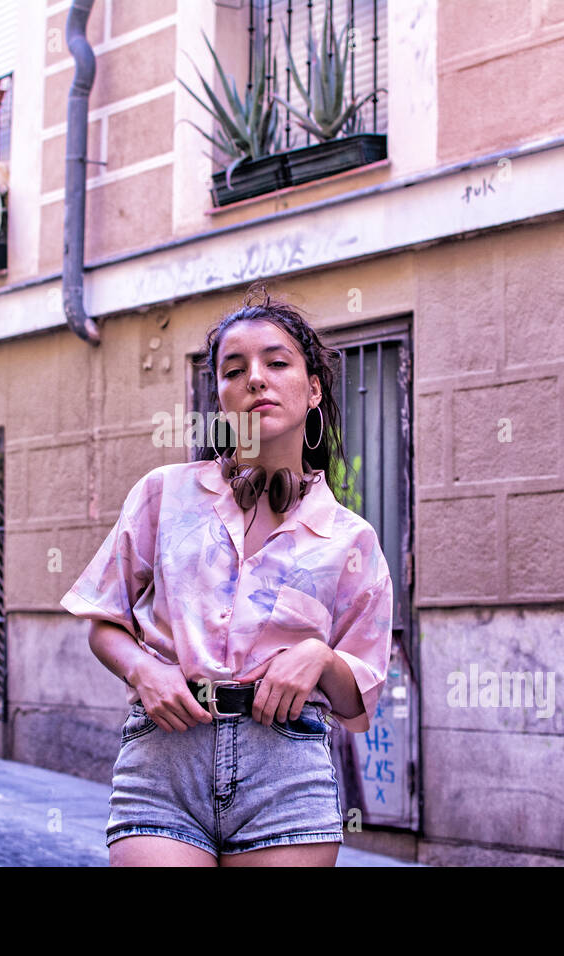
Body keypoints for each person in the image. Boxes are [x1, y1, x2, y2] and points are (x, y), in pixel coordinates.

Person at [60, 284, 394, 866]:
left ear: (313, 387)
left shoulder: (351, 539)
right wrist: (143, 671)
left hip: (286, 773)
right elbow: (103, 619)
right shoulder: (164, 495)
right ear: (220, 397)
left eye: (277, 362)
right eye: (233, 370)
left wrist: (318, 657)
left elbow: (358, 702)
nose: (255, 380)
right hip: (164, 762)